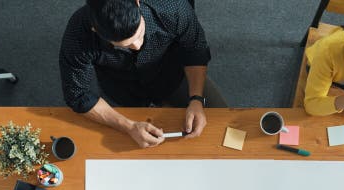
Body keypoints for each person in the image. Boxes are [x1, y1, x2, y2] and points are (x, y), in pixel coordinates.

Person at [60, 0, 227, 149]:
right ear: (95, 29)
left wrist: (196, 99)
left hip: (173, 74)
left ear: (137, 3)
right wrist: (129, 127)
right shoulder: (79, 34)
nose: (138, 46)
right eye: (124, 45)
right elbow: (79, 95)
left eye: (139, 34)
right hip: (122, 91)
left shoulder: (173, 6)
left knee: (222, 121)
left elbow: (195, 50)